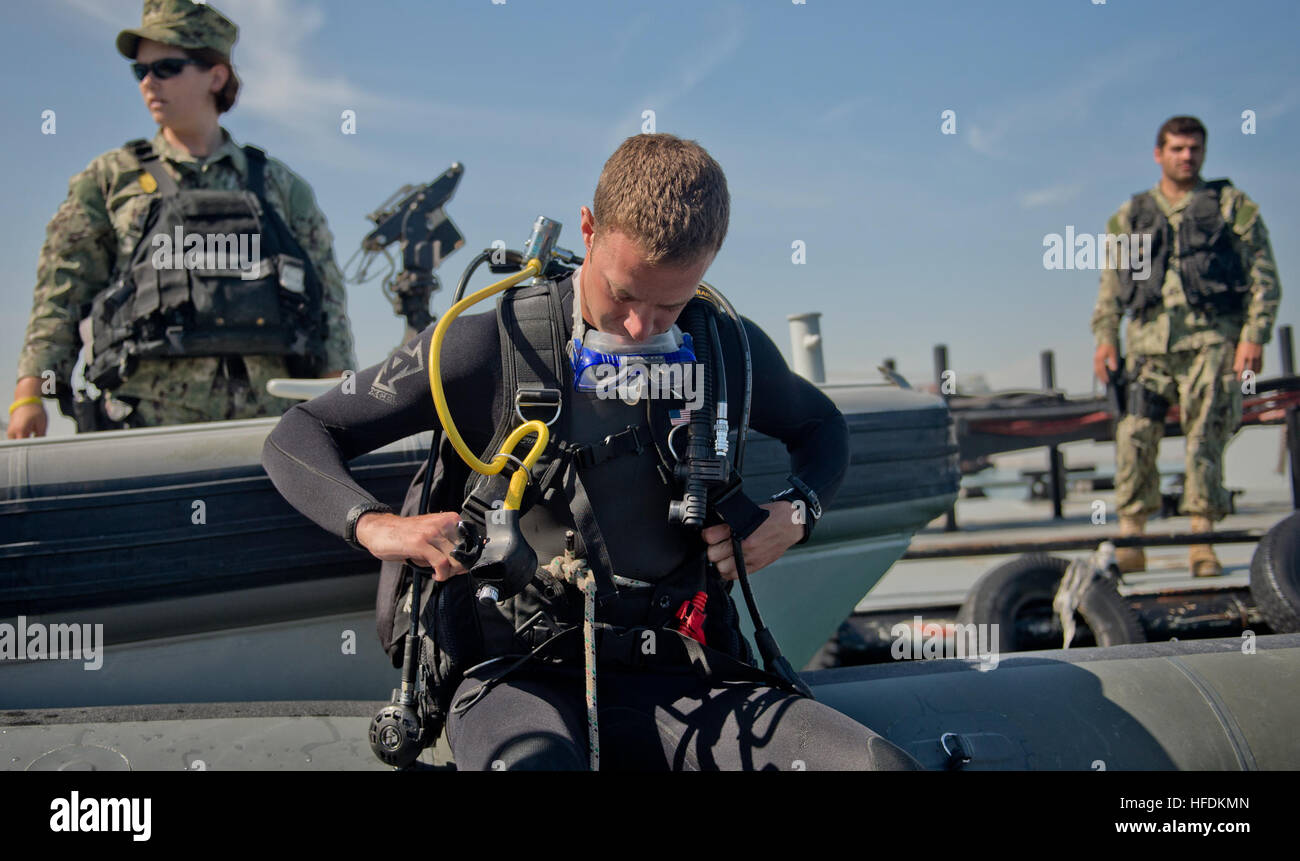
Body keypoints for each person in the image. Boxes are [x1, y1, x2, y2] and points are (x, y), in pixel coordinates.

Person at [262, 134, 921, 771]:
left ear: (710, 262)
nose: (640, 327)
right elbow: (300, 434)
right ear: (587, 228)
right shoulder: (492, 344)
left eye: (670, 304)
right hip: (518, 679)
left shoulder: (725, 349)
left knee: (876, 764)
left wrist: (796, 513)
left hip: (686, 673)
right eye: (624, 294)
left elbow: (823, 426)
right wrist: (377, 525)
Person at [8, 0, 355, 438]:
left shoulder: (280, 187)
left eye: (167, 67)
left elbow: (328, 304)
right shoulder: (109, 180)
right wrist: (29, 394)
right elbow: (61, 293)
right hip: (141, 431)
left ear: (216, 75)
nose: (149, 82)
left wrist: (342, 401)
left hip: (268, 430)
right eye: (141, 71)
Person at [1091, 116, 1282, 576]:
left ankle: (1202, 540)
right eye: (1176, 148)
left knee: (1205, 438)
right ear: (1159, 153)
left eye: (1194, 148)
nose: (1186, 156)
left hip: (1211, 341)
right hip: (1147, 346)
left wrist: (1254, 335)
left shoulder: (1231, 205)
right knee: (1133, 435)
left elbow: (1264, 276)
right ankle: (1132, 536)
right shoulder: (1131, 215)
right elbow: (1112, 285)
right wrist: (1104, 337)